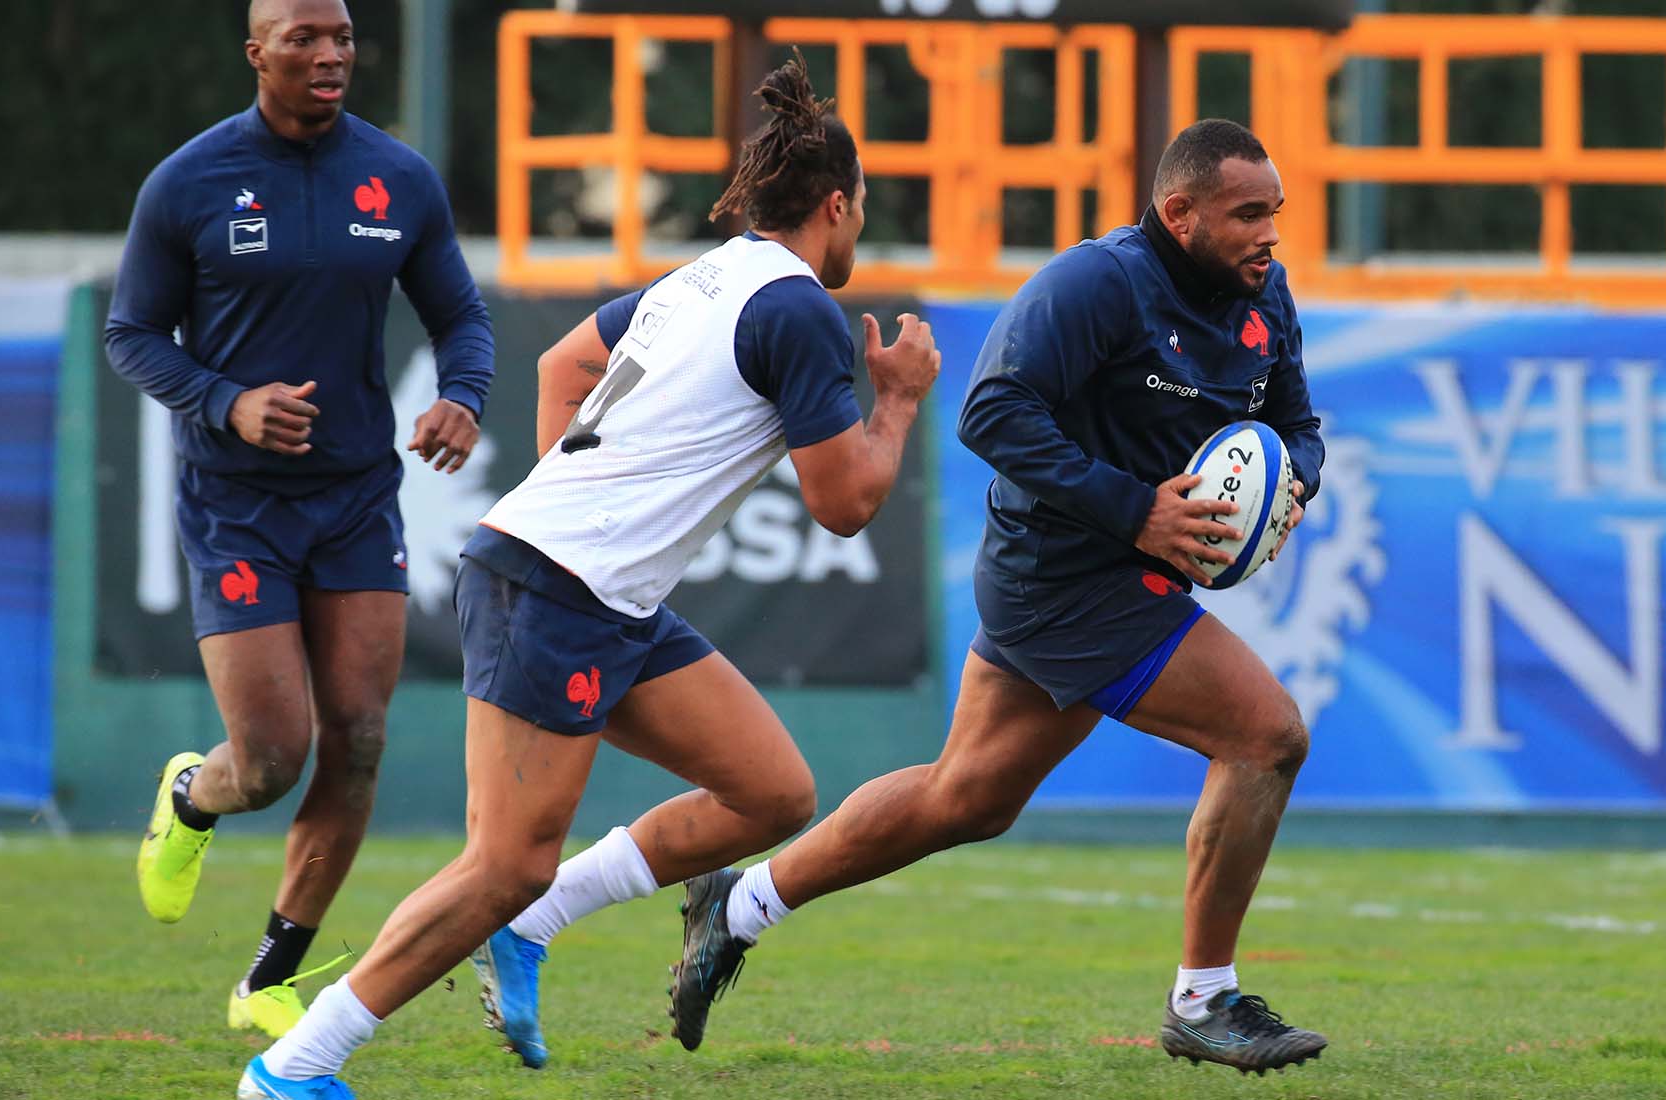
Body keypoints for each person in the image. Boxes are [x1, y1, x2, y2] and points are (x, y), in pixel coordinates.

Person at [490, 118, 1331, 1076]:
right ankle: (1205, 999)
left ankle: (742, 904)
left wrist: (1288, 486)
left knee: (965, 798)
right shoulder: (1097, 282)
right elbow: (992, 412)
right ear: (1179, 214)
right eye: (1247, 214)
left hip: (1105, 578)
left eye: (1274, 212)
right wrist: (1137, 510)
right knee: (1266, 736)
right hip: (1066, 578)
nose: (1269, 233)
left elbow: (1296, 425)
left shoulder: (1264, 293)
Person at [234, 54, 939, 1099]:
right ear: (836, 204)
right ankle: (292, 1067)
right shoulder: (795, 307)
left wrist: (578, 492)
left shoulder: (705, 276)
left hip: (598, 590)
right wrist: (899, 400)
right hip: (554, 585)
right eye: (861, 209)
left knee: (770, 791)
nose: (859, 228)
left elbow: (559, 363)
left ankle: (534, 921)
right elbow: (843, 506)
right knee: (501, 862)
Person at [106, 0, 492, 1041]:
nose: (330, 56)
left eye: (343, 39)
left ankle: (269, 977)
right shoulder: (187, 181)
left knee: (357, 736)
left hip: (357, 496)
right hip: (235, 503)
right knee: (271, 759)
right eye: (304, 40)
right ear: (256, 53)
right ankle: (195, 796)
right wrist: (226, 400)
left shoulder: (398, 177)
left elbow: (459, 315)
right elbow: (131, 332)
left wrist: (463, 394)